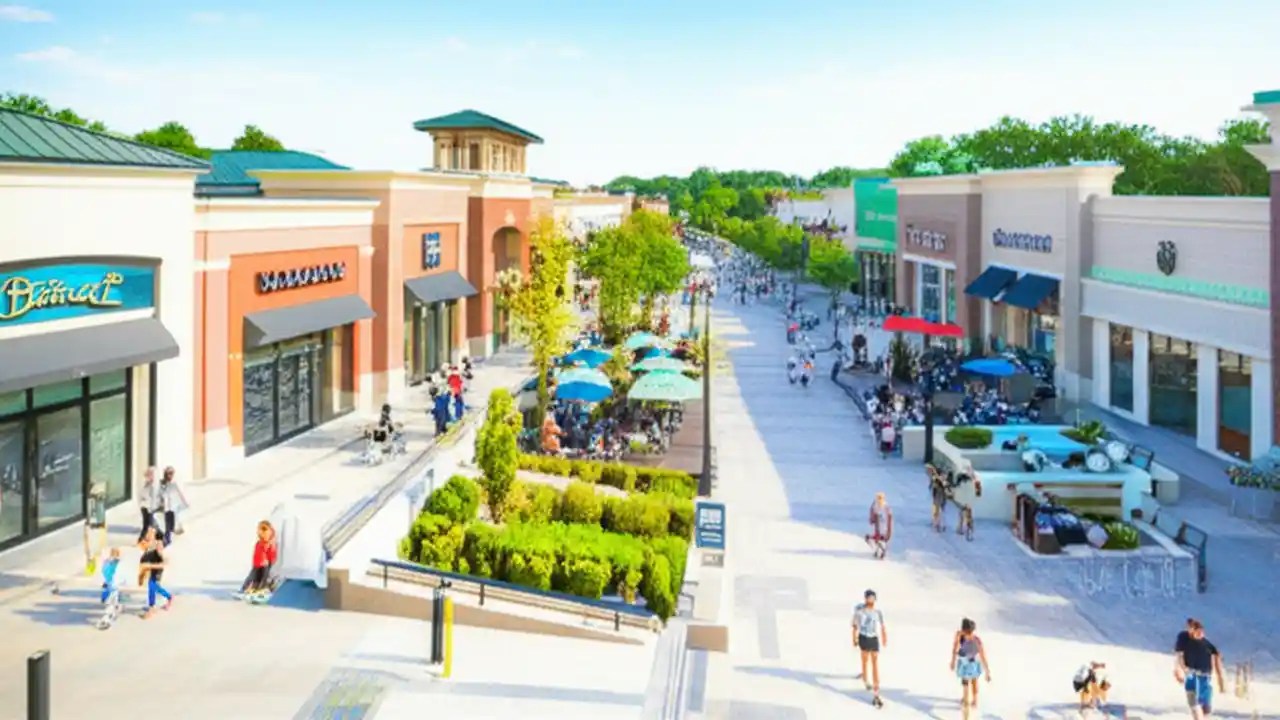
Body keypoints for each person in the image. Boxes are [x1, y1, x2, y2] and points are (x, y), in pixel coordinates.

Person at [1174, 618, 1225, 718]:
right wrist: (1179, 669)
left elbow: (1217, 657)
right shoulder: (1184, 638)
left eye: (1201, 632)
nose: (1200, 634)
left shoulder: (1207, 644)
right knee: (1193, 701)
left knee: (1204, 705)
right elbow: (1179, 655)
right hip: (1191, 673)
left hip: (1204, 675)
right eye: (1196, 631)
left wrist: (1220, 679)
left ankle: (1203, 714)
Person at [852, 589, 888, 707]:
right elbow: (855, 625)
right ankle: (865, 678)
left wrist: (884, 637)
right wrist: (854, 638)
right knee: (865, 660)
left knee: (875, 663)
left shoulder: (877, 612)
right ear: (866, 598)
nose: (871, 600)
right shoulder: (860, 611)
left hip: (873, 638)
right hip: (863, 637)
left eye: (873, 598)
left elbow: (882, 626)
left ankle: (876, 693)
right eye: (869, 598)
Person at [950, 618, 991, 715]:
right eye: (967, 632)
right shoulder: (959, 635)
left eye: (970, 632)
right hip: (964, 663)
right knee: (965, 683)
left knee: (974, 681)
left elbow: (983, 656)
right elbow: (955, 648)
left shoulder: (977, 641)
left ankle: (975, 699)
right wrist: (953, 661)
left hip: (973, 663)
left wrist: (987, 672)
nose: (969, 634)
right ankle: (965, 699)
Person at [238, 520, 278, 598]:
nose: (260, 532)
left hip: (264, 565)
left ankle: (262, 589)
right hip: (257, 564)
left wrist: (270, 562)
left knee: (263, 578)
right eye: (260, 530)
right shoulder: (259, 543)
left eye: (264, 530)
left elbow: (272, 554)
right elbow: (256, 554)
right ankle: (246, 589)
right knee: (252, 577)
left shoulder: (269, 543)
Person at [138, 529, 172, 618]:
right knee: (155, 586)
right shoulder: (150, 542)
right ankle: (169, 597)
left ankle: (152, 607)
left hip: (156, 569)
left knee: (152, 586)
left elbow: (163, 563)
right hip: (152, 567)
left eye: (150, 533)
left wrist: (150, 565)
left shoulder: (159, 544)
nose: (148, 535)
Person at [157, 466, 189, 546]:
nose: (170, 475)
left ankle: (172, 532)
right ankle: (167, 538)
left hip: (173, 506)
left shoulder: (174, 483)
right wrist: (160, 503)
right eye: (169, 474)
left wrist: (184, 502)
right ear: (165, 474)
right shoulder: (162, 483)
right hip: (166, 506)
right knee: (167, 523)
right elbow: (159, 493)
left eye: (171, 474)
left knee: (172, 522)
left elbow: (179, 493)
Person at [864, 492, 893, 559]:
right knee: (869, 538)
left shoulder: (887, 508)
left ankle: (882, 550)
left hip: (885, 531)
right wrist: (872, 517)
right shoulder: (875, 506)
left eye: (880, 499)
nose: (879, 502)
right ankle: (877, 550)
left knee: (881, 541)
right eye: (878, 499)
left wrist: (889, 533)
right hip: (878, 530)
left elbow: (890, 521)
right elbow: (872, 519)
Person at [136, 466, 159, 543]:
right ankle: (142, 540)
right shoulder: (146, 484)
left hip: (148, 507)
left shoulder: (152, 484)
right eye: (151, 474)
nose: (152, 476)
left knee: (150, 524)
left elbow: (153, 497)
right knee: (148, 524)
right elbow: (142, 495)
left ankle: (145, 539)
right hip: (146, 507)